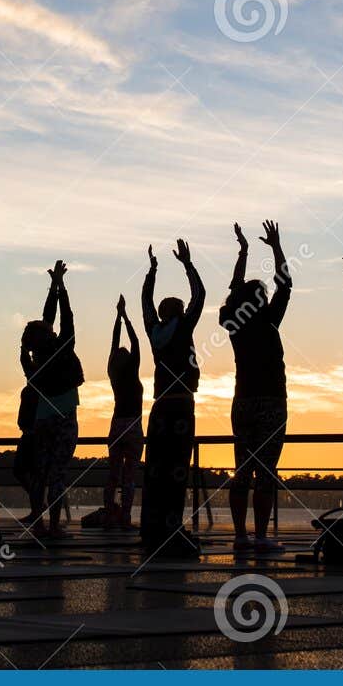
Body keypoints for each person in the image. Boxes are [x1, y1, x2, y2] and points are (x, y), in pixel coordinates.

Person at [223, 221, 292, 554]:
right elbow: (286, 284)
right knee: (265, 470)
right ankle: (261, 535)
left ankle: (240, 535)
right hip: (271, 402)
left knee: (242, 468)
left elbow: (235, 289)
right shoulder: (268, 321)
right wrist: (276, 247)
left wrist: (244, 251)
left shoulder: (234, 323)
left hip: (243, 402)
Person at [139, 239, 205, 558]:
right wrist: (187, 264)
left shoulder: (154, 333)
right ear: (179, 312)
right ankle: (171, 528)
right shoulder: (183, 326)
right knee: (177, 468)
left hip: (160, 405)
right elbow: (200, 296)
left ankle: (151, 529)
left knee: (155, 469)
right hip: (181, 404)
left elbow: (145, 303)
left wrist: (151, 271)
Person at [18, 260, 83, 537]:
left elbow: (48, 318)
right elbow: (64, 315)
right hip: (65, 418)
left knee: (39, 472)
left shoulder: (36, 357)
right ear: (48, 335)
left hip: (43, 418)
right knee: (57, 474)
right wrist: (61, 287)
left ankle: (39, 522)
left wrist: (54, 287)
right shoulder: (63, 347)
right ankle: (54, 526)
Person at [103, 294, 142, 530]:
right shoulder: (131, 370)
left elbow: (114, 342)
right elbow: (135, 341)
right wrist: (125, 316)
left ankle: (110, 514)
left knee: (113, 474)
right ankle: (125, 516)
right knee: (129, 475)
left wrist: (118, 317)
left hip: (116, 424)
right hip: (133, 425)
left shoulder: (114, 373)